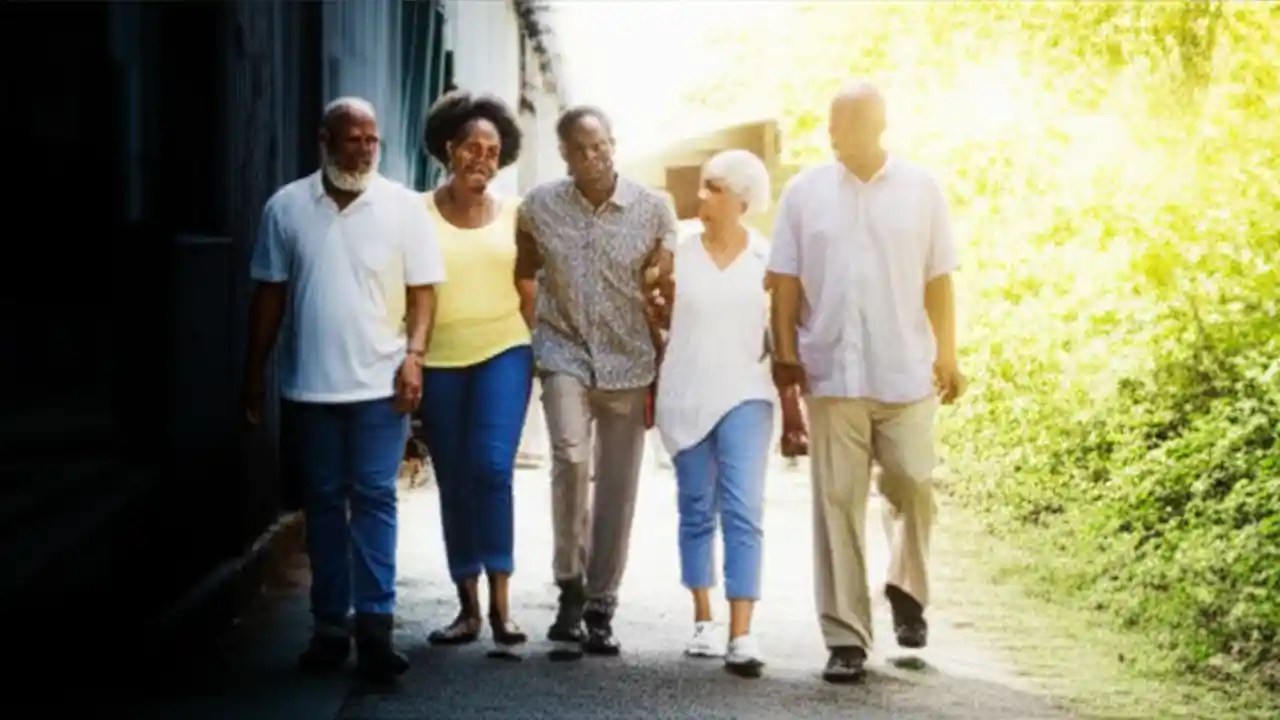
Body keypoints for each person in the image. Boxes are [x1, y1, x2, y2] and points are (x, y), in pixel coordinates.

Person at [241, 96, 446, 684]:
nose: (363, 150)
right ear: (325, 140)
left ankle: (376, 628)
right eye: (352, 139)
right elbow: (270, 294)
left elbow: (424, 292)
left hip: (381, 385)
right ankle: (330, 628)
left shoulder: (403, 208)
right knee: (324, 506)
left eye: (371, 140)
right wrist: (252, 371)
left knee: (376, 497)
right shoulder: (286, 207)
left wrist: (415, 357)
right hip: (310, 389)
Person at [767, 80, 966, 683]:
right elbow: (785, 280)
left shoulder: (921, 189)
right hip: (831, 371)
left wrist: (948, 354)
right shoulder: (804, 193)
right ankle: (846, 637)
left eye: (845, 122)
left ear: (877, 126)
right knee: (837, 505)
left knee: (913, 481)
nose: (832, 133)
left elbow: (939, 279)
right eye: (830, 123)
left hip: (905, 368)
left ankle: (906, 587)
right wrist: (785, 355)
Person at [514, 105, 678, 659]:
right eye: (581, 150)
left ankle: (602, 603)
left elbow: (665, 278)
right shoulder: (538, 207)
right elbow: (524, 272)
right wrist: (536, 329)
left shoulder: (652, 209)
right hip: (563, 351)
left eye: (600, 146)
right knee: (569, 455)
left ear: (613, 143)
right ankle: (570, 587)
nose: (593, 157)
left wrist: (661, 303)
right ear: (564, 154)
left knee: (617, 483)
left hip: (629, 359)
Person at [644, 149, 806, 678]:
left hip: (746, 393)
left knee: (743, 508)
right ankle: (703, 619)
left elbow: (783, 329)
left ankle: (742, 632)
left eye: (713, 188)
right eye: (703, 186)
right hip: (687, 392)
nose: (702, 197)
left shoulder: (766, 259)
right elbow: (653, 309)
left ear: (741, 199)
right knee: (696, 507)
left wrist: (793, 400)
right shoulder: (678, 254)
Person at [416, 89, 532, 652]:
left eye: (492, 151)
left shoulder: (516, 214)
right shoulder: (416, 213)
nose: (481, 159)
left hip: (503, 351)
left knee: (491, 468)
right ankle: (467, 608)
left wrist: (541, 353)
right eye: (471, 148)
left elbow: (531, 292)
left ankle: (502, 606)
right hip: (438, 358)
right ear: (449, 149)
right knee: (454, 477)